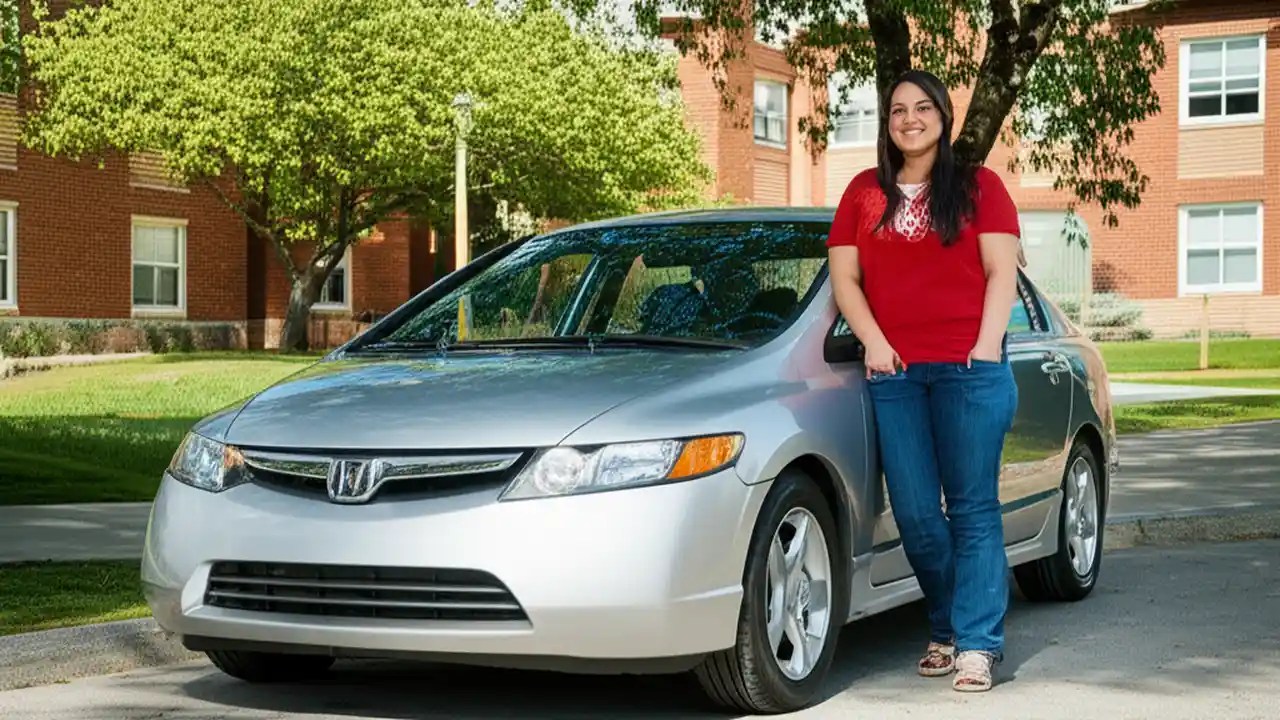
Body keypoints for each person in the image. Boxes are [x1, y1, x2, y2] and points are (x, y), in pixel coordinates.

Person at [825, 69, 1022, 693]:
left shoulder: (979, 186)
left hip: (970, 370)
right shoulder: (862, 193)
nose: (909, 118)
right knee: (914, 513)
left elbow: (1001, 273)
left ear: (943, 115)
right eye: (897, 110)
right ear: (888, 123)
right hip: (896, 372)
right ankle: (946, 618)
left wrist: (986, 349)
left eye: (922, 107)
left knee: (971, 509)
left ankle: (976, 644)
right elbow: (845, 282)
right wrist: (875, 343)